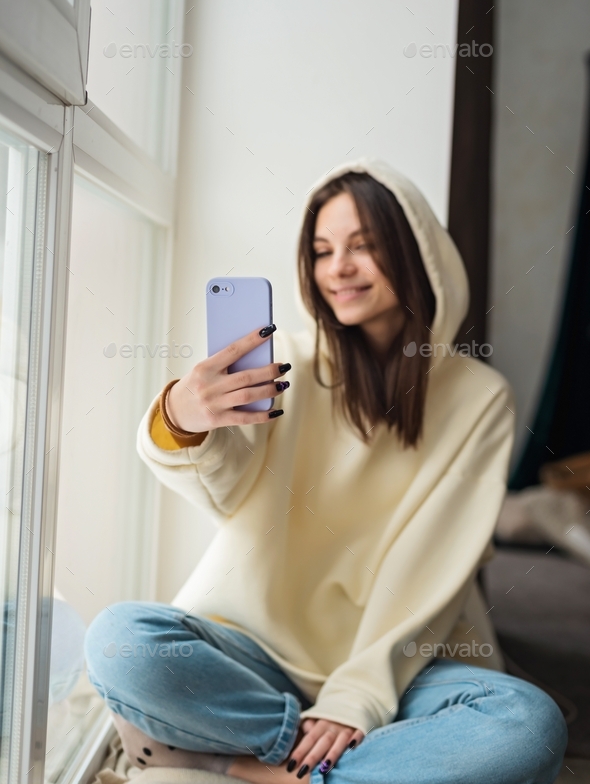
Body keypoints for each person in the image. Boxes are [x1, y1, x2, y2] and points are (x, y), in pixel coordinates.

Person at [85, 158, 567, 784]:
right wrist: (183, 418)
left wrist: (356, 696)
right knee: (119, 639)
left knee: (528, 724)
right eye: (321, 250)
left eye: (362, 246)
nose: (337, 267)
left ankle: (241, 765)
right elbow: (228, 489)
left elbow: (428, 562)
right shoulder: (284, 362)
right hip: (255, 652)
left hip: (399, 667)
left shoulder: (480, 397)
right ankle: (311, 763)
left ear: (415, 252)